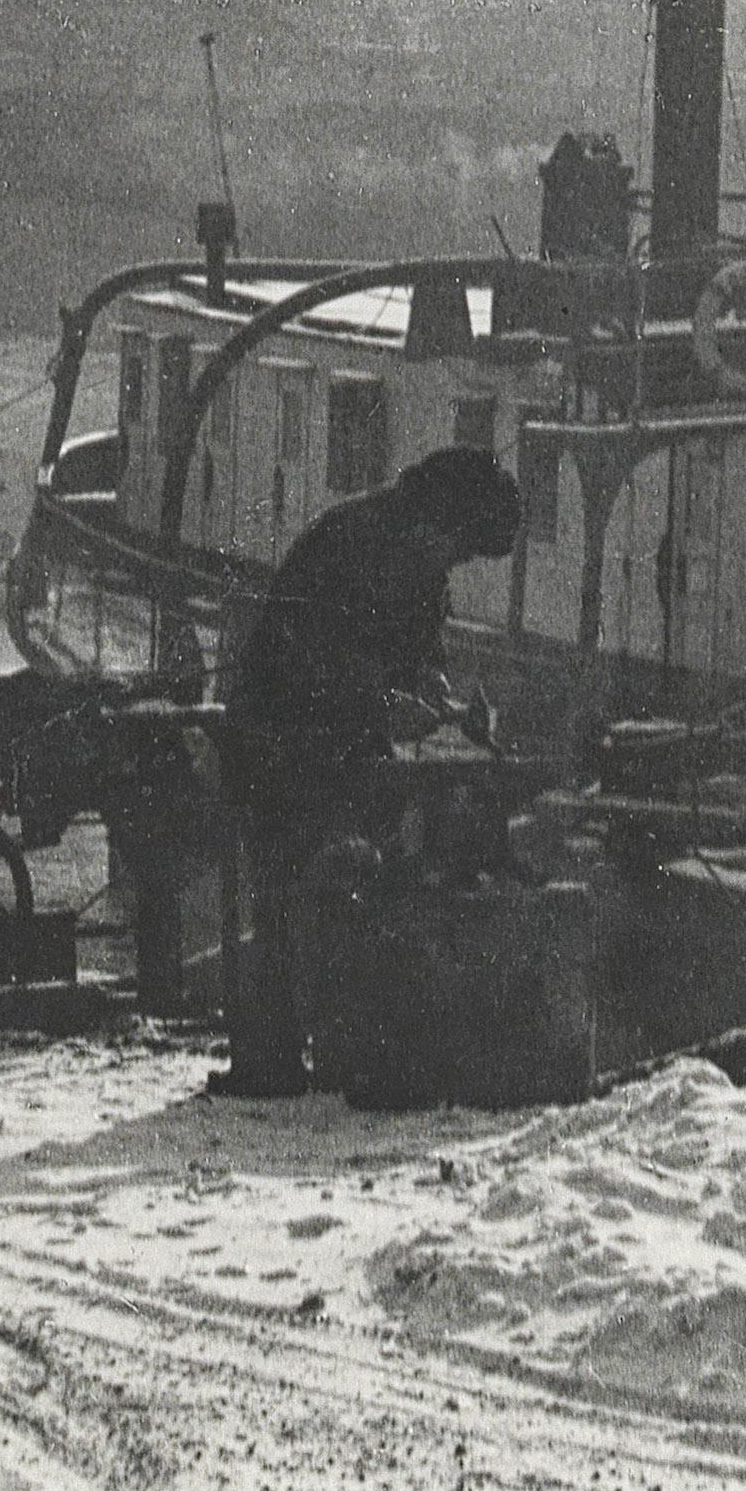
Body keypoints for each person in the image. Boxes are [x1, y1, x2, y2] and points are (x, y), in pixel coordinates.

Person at [214, 444, 524, 1093]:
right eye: (459, 550)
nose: (455, 565)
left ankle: (347, 1043)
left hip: (343, 742)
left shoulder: (415, 556)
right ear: (437, 522)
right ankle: (266, 1062)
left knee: (355, 881)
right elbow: (306, 657)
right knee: (287, 890)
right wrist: (381, 704)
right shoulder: (353, 543)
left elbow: (416, 645)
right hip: (280, 737)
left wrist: (437, 691)